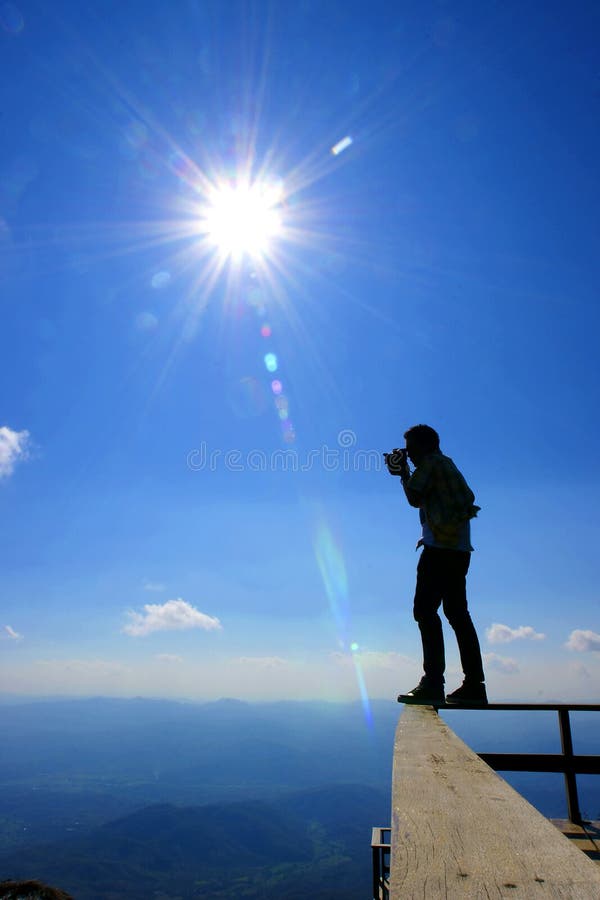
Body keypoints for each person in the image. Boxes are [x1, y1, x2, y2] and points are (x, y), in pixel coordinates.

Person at [385, 424, 487, 706]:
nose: (410, 455)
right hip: (459, 549)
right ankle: (474, 685)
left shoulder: (430, 463)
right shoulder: (447, 464)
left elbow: (413, 497)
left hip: (439, 549)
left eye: (411, 449)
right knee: (457, 613)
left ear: (422, 446)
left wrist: (403, 472)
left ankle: (432, 682)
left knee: (424, 611)